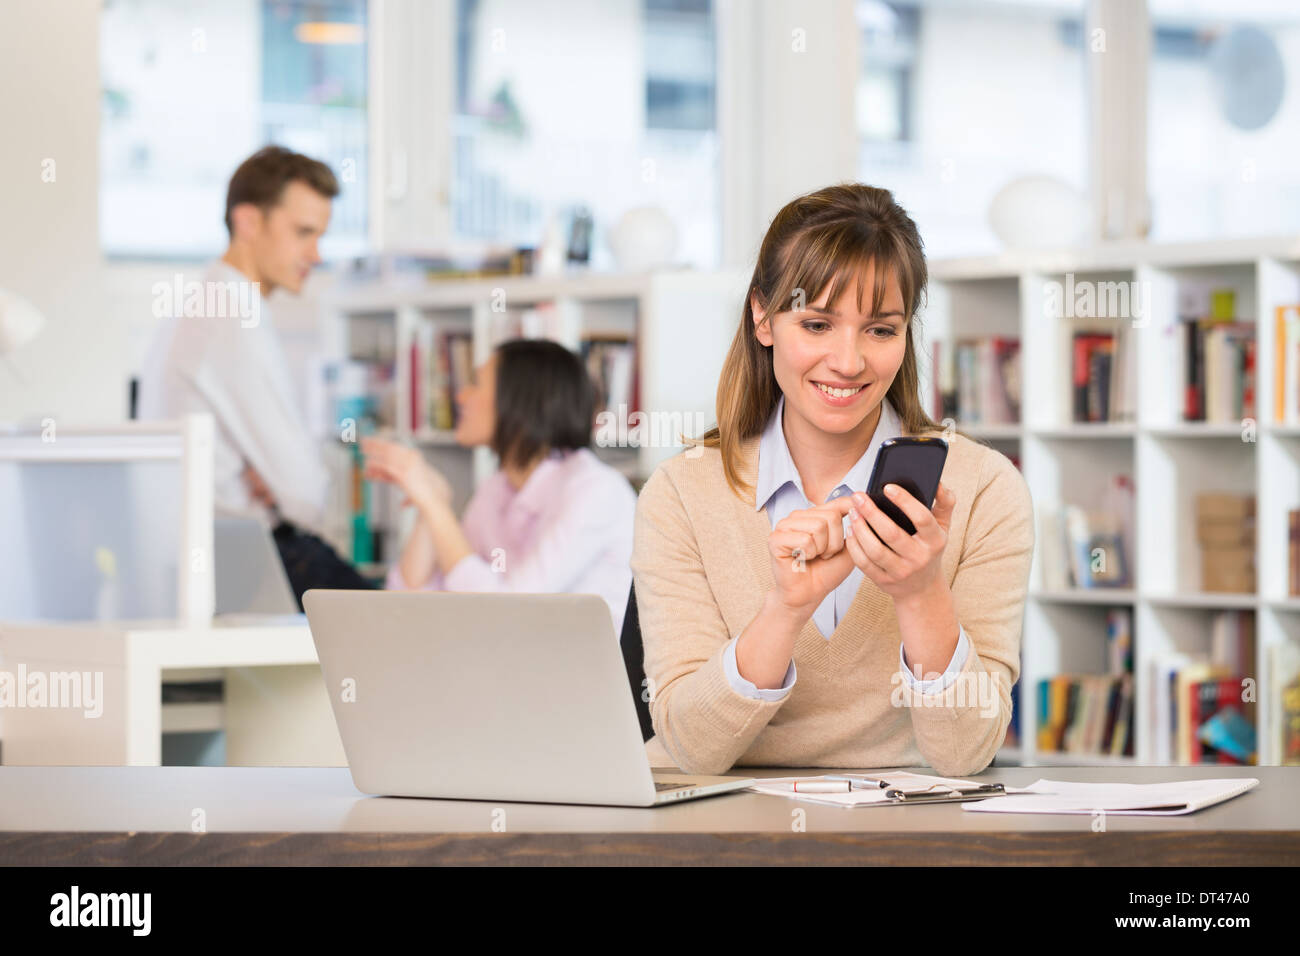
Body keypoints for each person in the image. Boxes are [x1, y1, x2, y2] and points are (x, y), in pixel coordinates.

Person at [630, 183, 1035, 777]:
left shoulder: (985, 489)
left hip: (896, 832)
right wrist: (784, 610)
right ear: (763, 317)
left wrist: (921, 595)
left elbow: (964, 754)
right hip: (716, 829)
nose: (848, 362)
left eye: (880, 329)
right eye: (817, 325)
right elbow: (693, 749)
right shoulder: (681, 494)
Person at [138, 146, 373, 603]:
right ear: (248, 222)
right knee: (405, 635)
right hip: (245, 559)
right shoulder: (233, 320)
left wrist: (274, 477)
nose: (317, 254)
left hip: (201, 554)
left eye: (320, 236)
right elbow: (307, 496)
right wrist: (282, 484)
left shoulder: (201, 305)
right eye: (303, 233)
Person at [362, 338, 637, 635]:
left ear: (521, 401)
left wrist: (435, 507)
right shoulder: (496, 489)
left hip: (583, 675)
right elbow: (408, 607)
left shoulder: (595, 490)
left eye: (477, 384)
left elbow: (510, 612)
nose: (461, 396)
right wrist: (431, 506)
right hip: (511, 668)